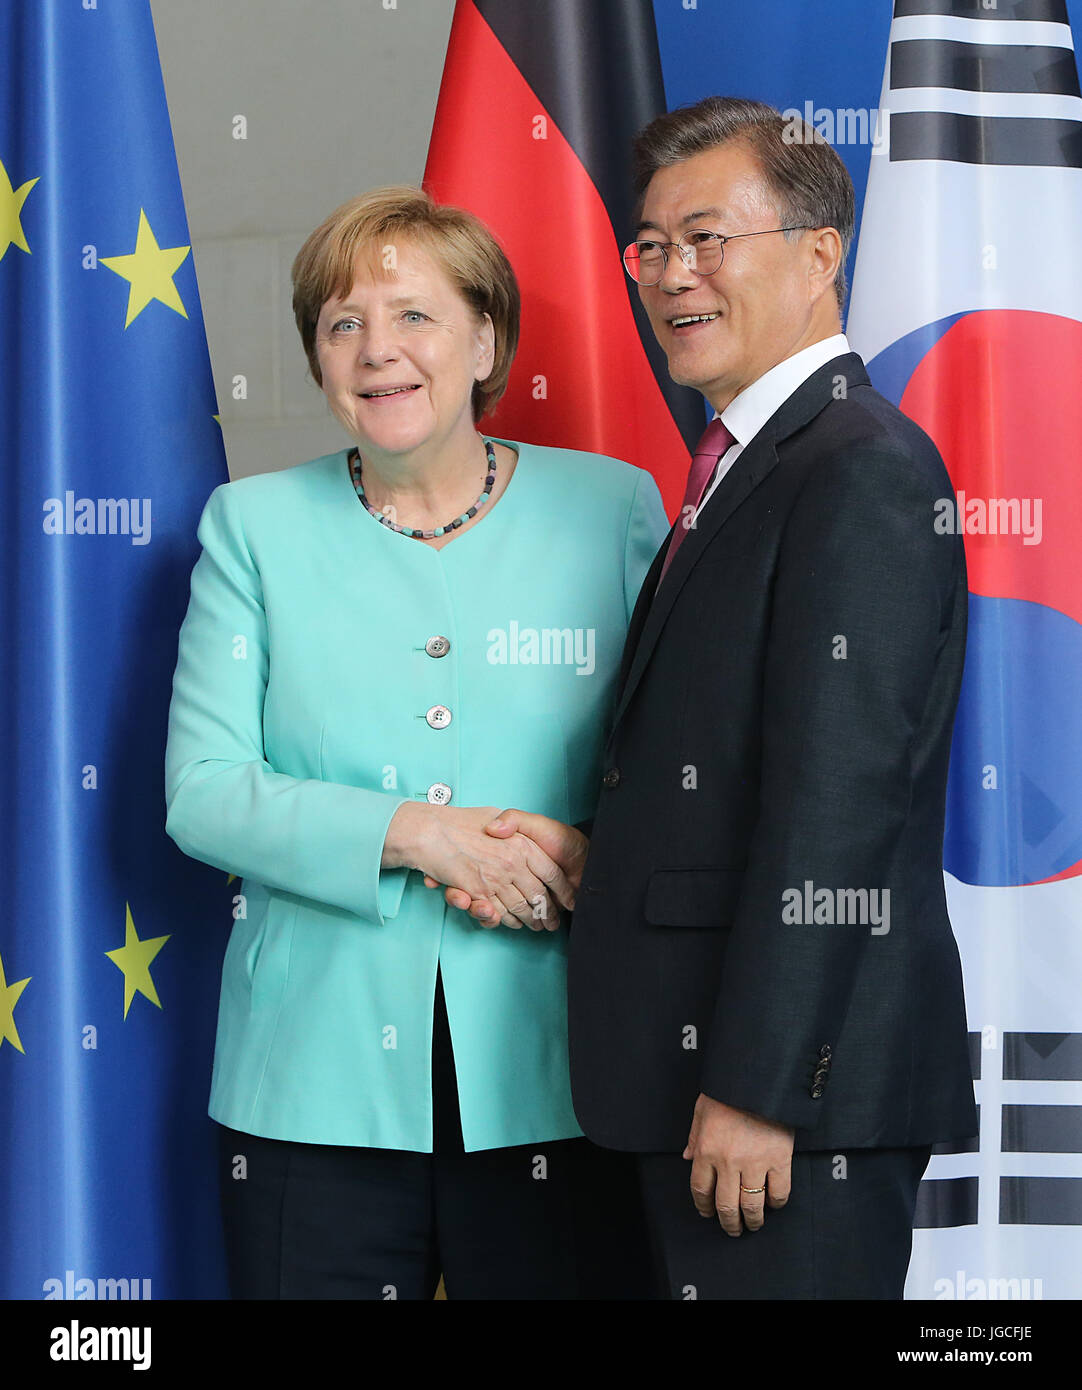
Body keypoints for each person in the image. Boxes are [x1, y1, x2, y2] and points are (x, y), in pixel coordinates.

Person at [448, 98, 978, 1299]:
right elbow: (726, 778)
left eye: (706, 239)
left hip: (778, 1109)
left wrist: (755, 1084)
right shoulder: (747, 464)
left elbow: (835, 812)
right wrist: (601, 860)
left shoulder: (860, 475)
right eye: (648, 246)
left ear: (818, 253)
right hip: (681, 1089)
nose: (669, 274)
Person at [164, 185, 667, 1299]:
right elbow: (201, 792)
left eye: (412, 316)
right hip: (308, 1091)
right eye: (342, 323)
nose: (376, 351)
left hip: (559, 1076)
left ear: (487, 337)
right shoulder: (252, 528)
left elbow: (682, 767)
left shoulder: (614, 509)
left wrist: (593, 851)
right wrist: (414, 834)